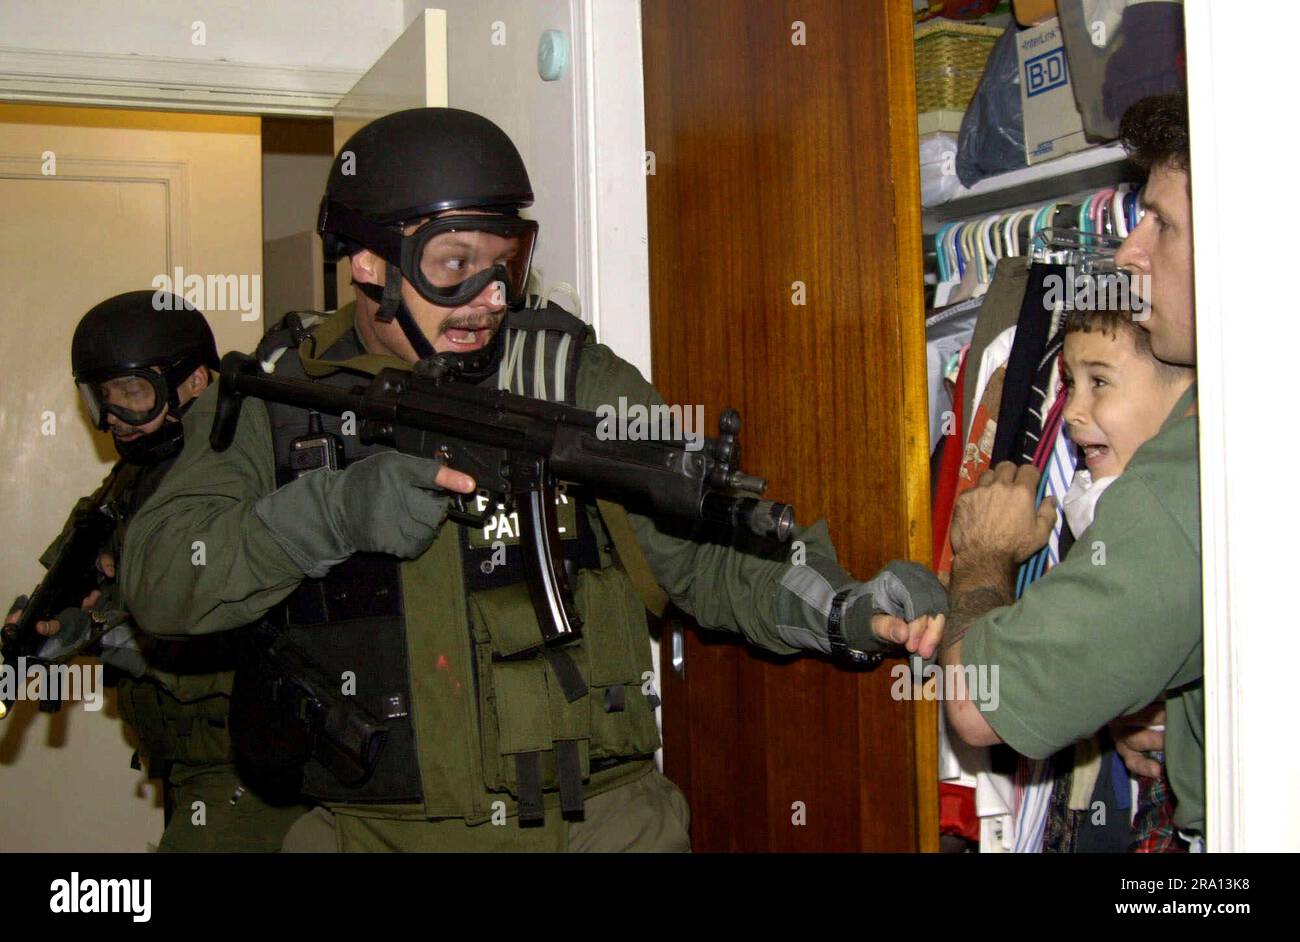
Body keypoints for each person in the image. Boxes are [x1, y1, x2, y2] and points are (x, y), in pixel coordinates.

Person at [120, 107, 948, 852]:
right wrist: (326, 516)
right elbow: (160, 582)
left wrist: (840, 607)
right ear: (370, 262)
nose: (487, 296)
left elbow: (706, 556)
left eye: (503, 263)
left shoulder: (569, 381)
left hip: (598, 826)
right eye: (453, 264)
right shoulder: (277, 400)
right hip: (376, 834)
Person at [940, 93, 1206, 846]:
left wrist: (984, 554)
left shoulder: (1187, 477)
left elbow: (977, 702)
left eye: (1164, 224)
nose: (1130, 252)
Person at [5, 291, 308, 852]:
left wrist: (123, 630)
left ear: (193, 382)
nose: (115, 417)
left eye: (134, 394)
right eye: (102, 399)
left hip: (247, 763)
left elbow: (256, 615)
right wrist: (68, 626)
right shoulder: (133, 477)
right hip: (187, 761)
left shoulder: (232, 468)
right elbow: (93, 587)